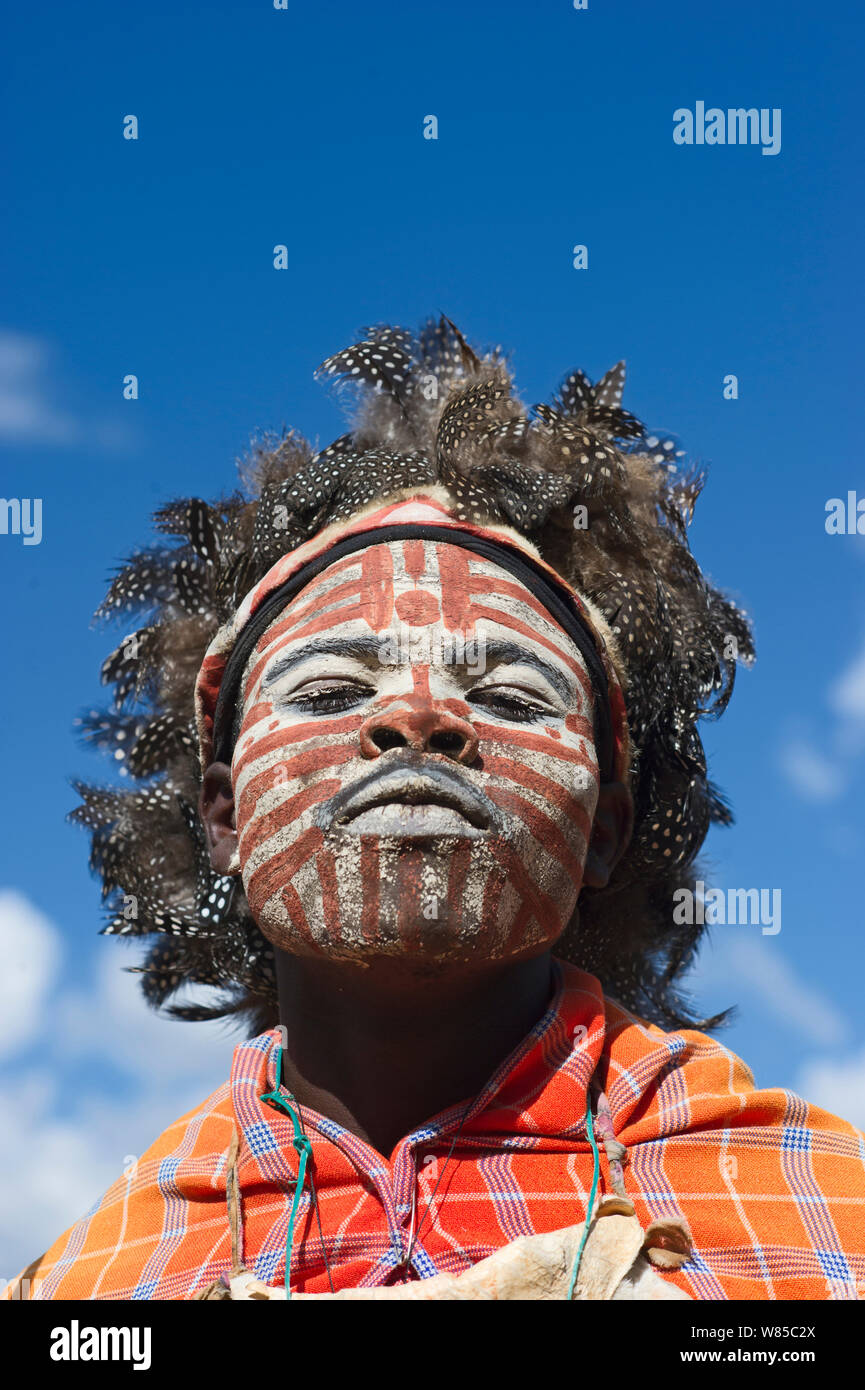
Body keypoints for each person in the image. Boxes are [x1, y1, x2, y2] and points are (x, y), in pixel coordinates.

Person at [7, 320, 864, 1301]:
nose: (416, 716)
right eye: (331, 692)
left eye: (507, 697)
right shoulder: (98, 1278)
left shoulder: (812, 1213)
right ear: (225, 819)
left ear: (606, 830)